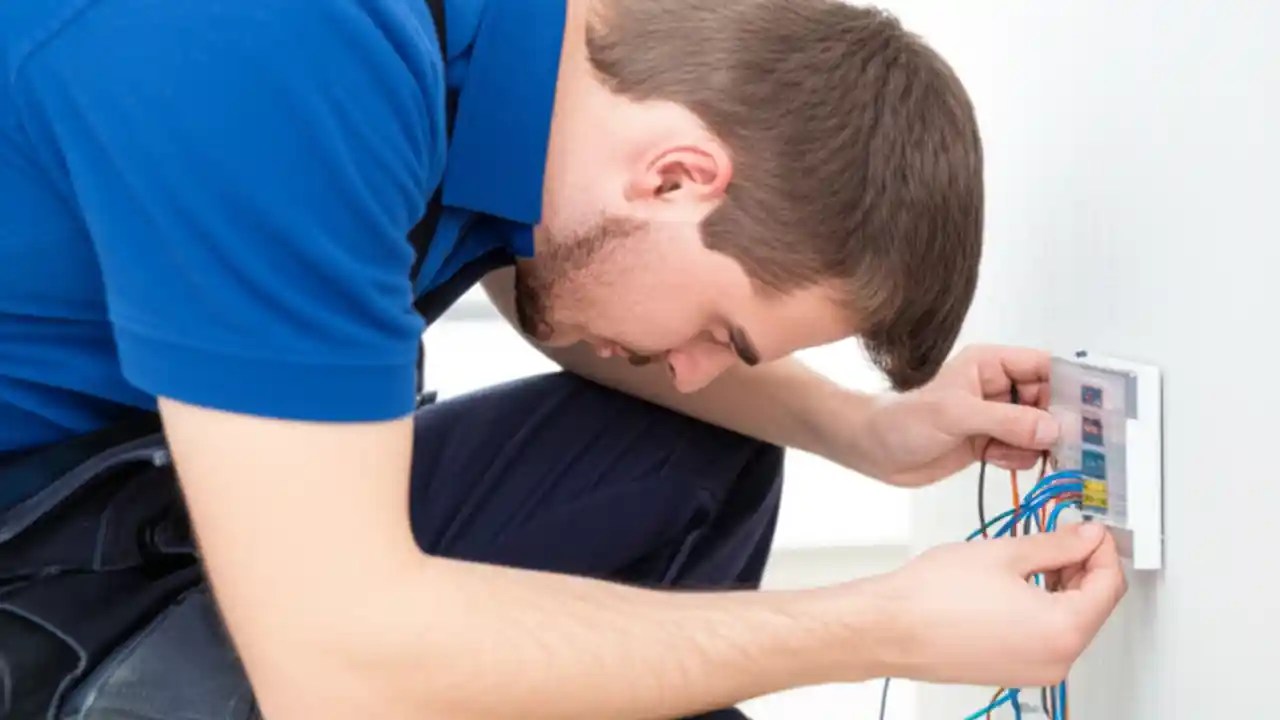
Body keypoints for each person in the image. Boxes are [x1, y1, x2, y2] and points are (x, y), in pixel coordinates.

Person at [0, 0, 1126, 717]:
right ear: (678, 177)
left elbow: (549, 274)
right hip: (40, 554)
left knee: (687, 452)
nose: (695, 368)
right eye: (719, 332)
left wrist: (866, 436)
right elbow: (333, 664)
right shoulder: (280, 58)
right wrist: (878, 626)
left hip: (143, 483)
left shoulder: (539, 64)